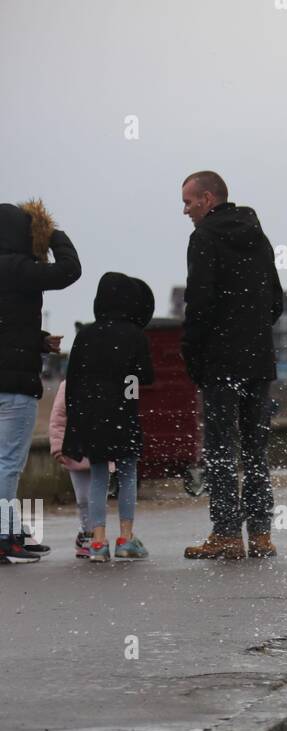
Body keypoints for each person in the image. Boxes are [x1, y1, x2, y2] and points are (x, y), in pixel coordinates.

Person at [180, 171, 284, 561]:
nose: (185, 210)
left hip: (221, 362)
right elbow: (276, 301)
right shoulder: (258, 236)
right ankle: (260, 534)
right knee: (255, 448)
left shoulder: (203, 238)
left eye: (189, 202)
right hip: (258, 359)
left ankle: (226, 533)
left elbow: (199, 304)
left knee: (221, 447)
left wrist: (193, 353)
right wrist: (252, 332)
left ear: (208, 199)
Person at [0, 199, 80, 563]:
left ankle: (14, 531)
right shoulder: (18, 266)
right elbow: (69, 271)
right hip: (13, 387)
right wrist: (54, 234)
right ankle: (5, 536)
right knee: (8, 464)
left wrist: (36, 340)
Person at [62, 272, 154, 561]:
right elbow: (143, 378)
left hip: (91, 416)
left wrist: (78, 419)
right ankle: (126, 538)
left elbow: (73, 380)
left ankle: (98, 541)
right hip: (122, 414)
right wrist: (127, 394)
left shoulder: (85, 334)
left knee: (99, 475)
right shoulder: (135, 335)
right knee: (127, 474)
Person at [49, 378, 92, 557]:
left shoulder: (106, 381)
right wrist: (58, 446)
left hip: (99, 450)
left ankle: (94, 534)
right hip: (76, 450)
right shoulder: (67, 385)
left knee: (95, 499)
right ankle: (86, 532)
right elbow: (58, 418)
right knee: (83, 499)